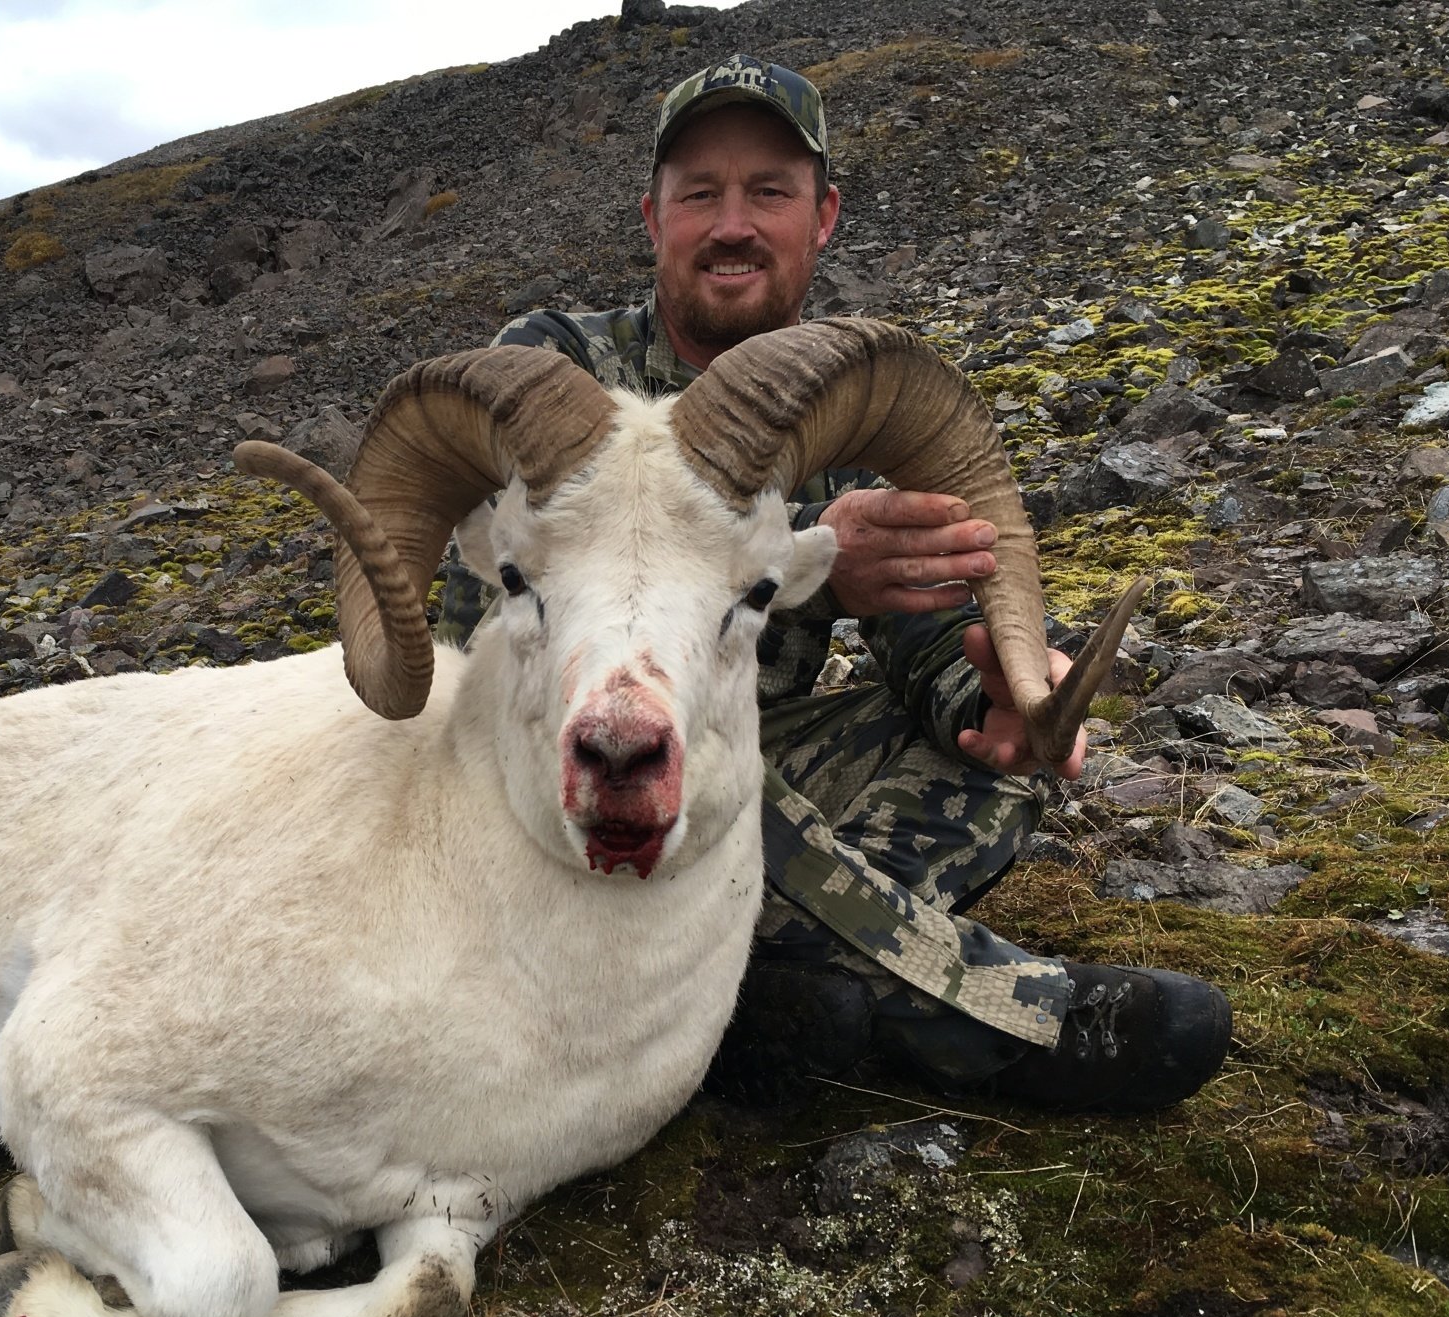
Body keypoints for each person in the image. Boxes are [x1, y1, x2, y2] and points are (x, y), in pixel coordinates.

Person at [435, 55, 1234, 1111]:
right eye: (700, 194)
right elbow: (480, 641)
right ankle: (1009, 1018)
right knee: (700, 765)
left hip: (737, 793)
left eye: (769, 191)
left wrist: (994, 690)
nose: (732, 224)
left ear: (823, 218)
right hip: (563, 773)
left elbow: (930, 629)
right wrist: (808, 568)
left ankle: (737, 1000)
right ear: (654, 218)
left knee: (991, 763)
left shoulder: (839, 402)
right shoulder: (558, 374)